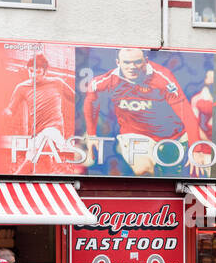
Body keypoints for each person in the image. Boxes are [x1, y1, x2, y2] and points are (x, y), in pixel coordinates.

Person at [83, 47, 208, 177]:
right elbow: (91, 101)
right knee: (143, 171)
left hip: (175, 134)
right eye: (126, 62)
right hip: (136, 136)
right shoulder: (105, 81)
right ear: (118, 63)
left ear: (146, 61)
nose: (132, 67)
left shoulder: (163, 78)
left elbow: (186, 113)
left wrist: (196, 149)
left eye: (137, 62)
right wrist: (92, 135)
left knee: (204, 168)